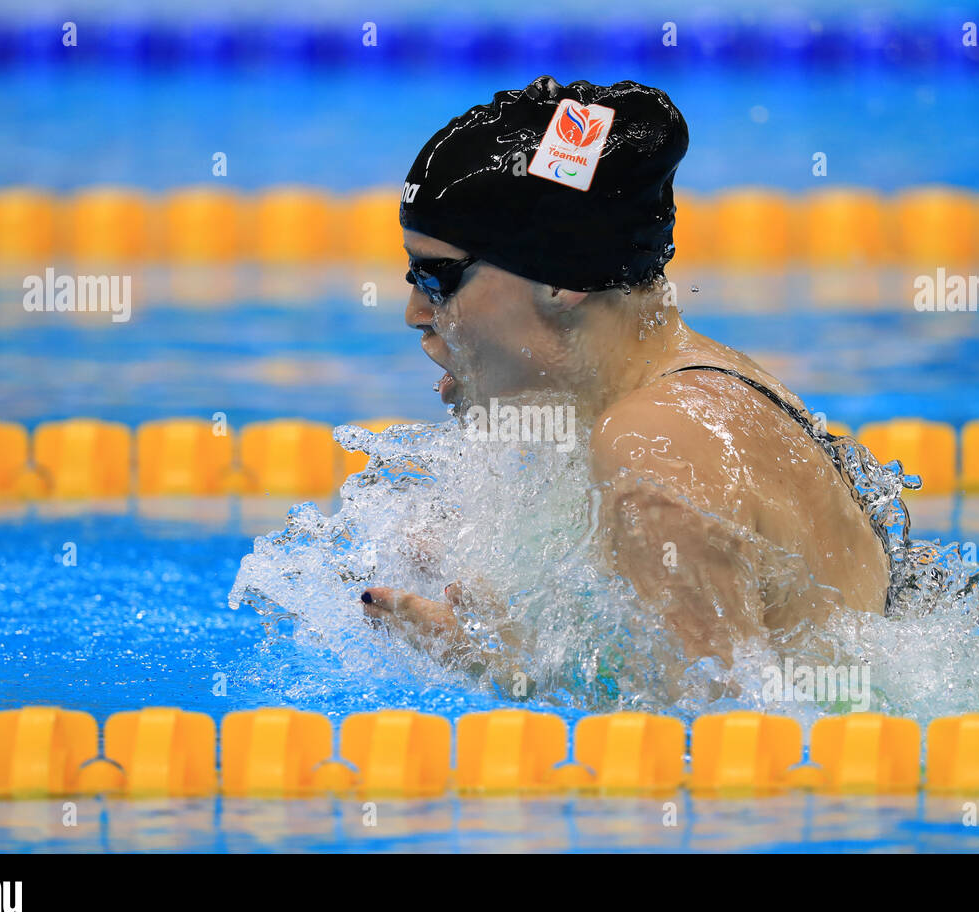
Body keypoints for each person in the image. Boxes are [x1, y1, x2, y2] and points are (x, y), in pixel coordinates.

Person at [360, 76, 900, 664]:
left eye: (436, 277)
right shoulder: (697, 386)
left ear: (559, 278)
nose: (417, 312)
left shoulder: (653, 442)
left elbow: (721, 733)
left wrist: (495, 670)